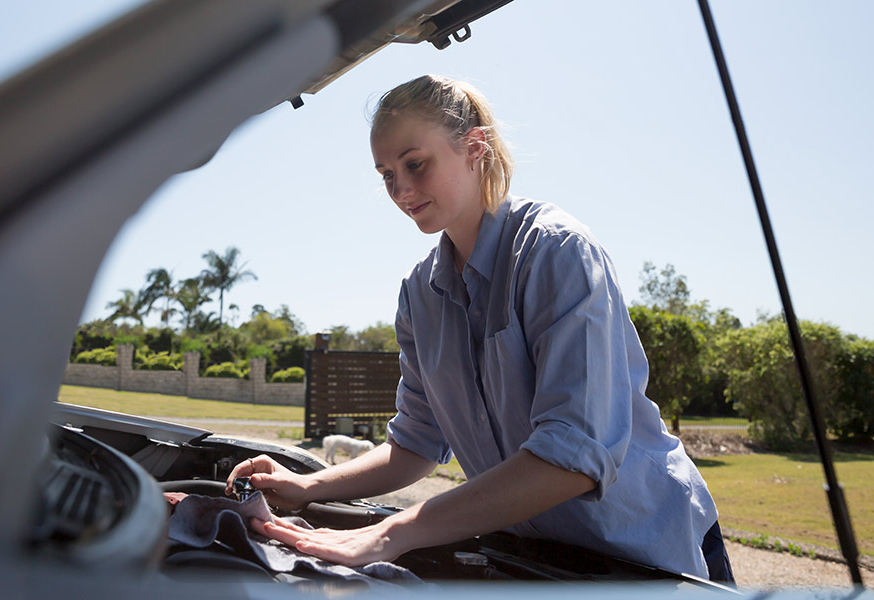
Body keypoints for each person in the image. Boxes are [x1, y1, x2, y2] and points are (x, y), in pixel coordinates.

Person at [225, 74, 734, 583]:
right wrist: (307, 486)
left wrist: (392, 532)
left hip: (653, 558)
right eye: (386, 175)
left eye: (415, 164)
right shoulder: (419, 294)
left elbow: (572, 456)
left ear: (474, 148)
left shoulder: (556, 252)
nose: (401, 190)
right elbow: (415, 444)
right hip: (539, 561)